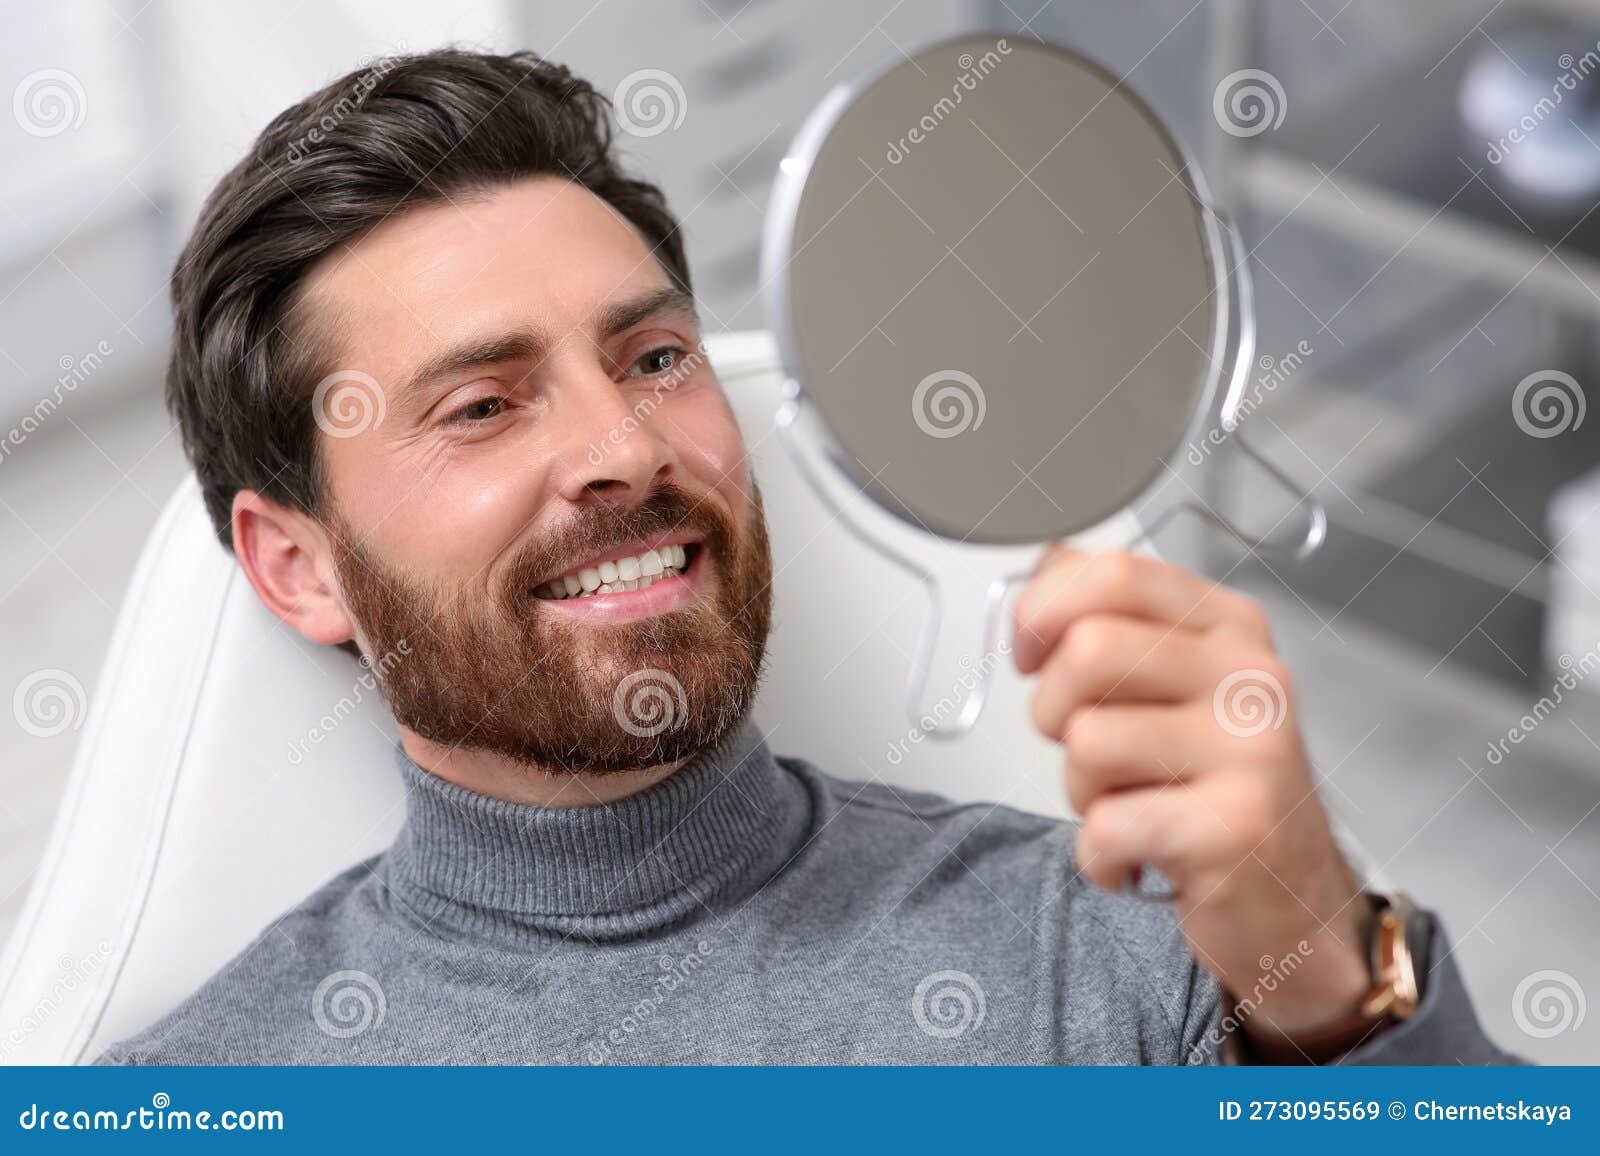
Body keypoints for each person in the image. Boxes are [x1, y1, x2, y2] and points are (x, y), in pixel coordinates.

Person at [98, 49, 1515, 1065]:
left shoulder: (1118, 957)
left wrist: (1341, 990)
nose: (627, 450)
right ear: (299, 568)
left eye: (654, 357)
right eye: (483, 406)